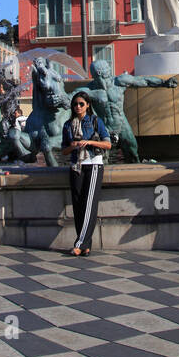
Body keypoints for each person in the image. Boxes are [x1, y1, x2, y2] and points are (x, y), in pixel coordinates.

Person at [60, 91, 111, 257]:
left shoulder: (96, 121)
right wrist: (73, 145)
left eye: (81, 104)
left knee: (89, 204)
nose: (78, 107)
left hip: (93, 164)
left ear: (88, 105)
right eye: (75, 104)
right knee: (78, 205)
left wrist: (89, 142)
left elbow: (107, 144)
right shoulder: (68, 125)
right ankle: (86, 245)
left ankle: (79, 243)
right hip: (76, 165)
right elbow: (64, 151)